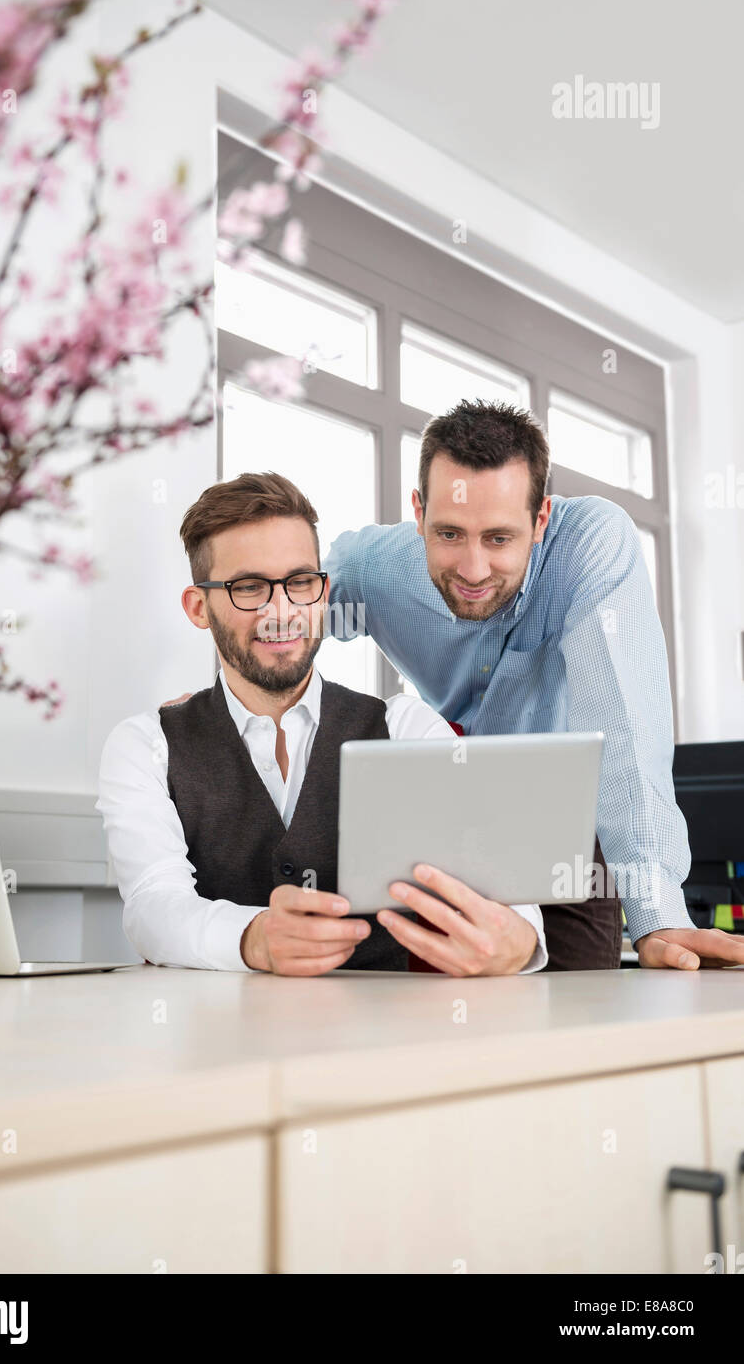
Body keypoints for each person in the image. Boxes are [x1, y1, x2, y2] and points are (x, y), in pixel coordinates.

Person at [324, 398, 744, 972]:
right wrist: (216, 707)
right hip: (443, 806)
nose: (472, 569)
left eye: (499, 539)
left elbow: (621, 724)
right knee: (414, 995)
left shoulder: (588, 546)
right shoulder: (373, 567)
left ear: (540, 519)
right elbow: (281, 617)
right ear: (418, 511)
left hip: (562, 824)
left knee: (581, 1006)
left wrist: (658, 913)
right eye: (449, 533)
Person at [96, 471, 547, 976]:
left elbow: (491, 865)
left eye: (299, 583)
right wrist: (253, 939)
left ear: (323, 590)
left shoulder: (404, 726)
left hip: (386, 1041)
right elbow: (153, 905)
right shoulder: (145, 745)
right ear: (199, 607)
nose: (281, 611)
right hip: (215, 1041)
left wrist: (522, 939)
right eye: (248, 587)